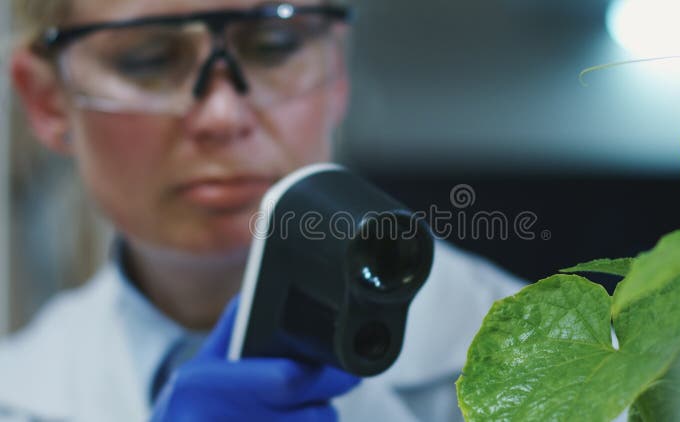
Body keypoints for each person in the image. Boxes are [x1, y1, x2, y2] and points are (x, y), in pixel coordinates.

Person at [0, 0, 525, 421]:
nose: (222, 116)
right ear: (47, 99)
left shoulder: (556, 365)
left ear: (336, 70)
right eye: (149, 59)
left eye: (273, 46)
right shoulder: (15, 393)